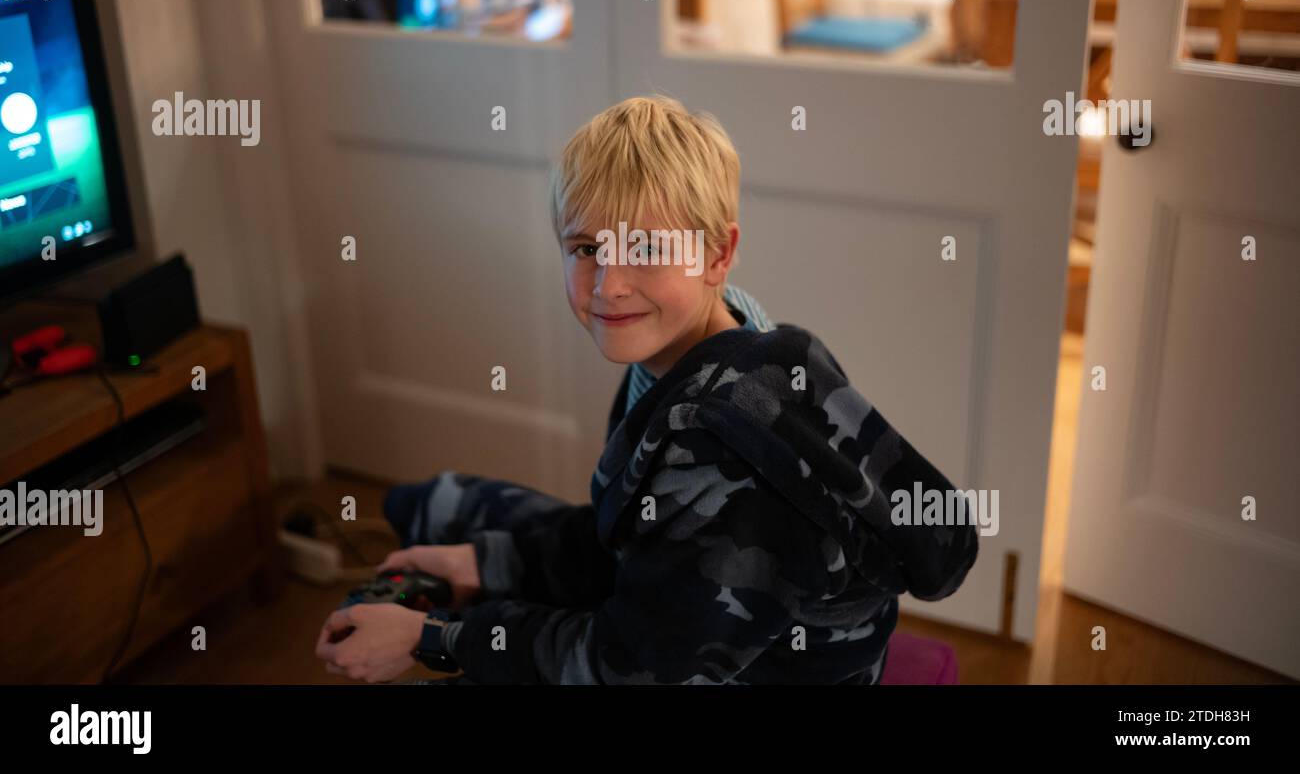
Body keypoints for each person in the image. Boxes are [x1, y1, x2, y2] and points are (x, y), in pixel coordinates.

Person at [315, 95, 979, 684]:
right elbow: (637, 532)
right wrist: (481, 562)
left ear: (718, 253)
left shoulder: (728, 452)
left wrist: (436, 640)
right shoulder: (709, 342)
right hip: (696, 628)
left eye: (647, 250)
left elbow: (627, 666)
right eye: (585, 249)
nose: (609, 284)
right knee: (449, 507)